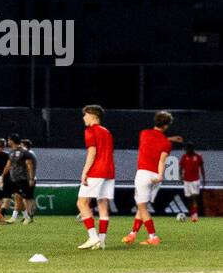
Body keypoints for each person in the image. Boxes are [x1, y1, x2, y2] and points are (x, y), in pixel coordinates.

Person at [123, 111, 177, 246]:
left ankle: (153, 237)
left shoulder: (144, 133)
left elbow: (153, 138)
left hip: (143, 175)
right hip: (155, 177)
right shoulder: (166, 143)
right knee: (143, 206)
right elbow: (162, 160)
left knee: (141, 207)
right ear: (166, 126)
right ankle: (132, 234)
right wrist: (160, 175)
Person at [77, 105, 116, 250]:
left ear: (93, 116)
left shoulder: (90, 130)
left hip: (96, 171)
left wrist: (84, 172)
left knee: (81, 203)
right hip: (109, 172)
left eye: (85, 115)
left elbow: (92, 153)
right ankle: (102, 241)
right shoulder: (107, 132)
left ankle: (93, 237)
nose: (84, 118)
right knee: (102, 204)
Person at [180, 143, 205, 222]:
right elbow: (180, 168)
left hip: (195, 180)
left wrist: (204, 179)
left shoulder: (198, 157)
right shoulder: (184, 157)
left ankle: (195, 215)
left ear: (191, 149)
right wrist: (180, 176)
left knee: (194, 197)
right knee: (189, 198)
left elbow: (202, 168)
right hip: (186, 181)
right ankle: (192, 214)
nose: (186, 151)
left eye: (187, 149)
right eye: (186, 149)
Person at [21, 138, 40, 219]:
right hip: (30, 178)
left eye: (21, 145)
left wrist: (30, 179)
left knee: (27, 198)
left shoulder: (28, 154)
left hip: (29, 179)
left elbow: (29, 167)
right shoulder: (31, 153)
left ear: (25, 146)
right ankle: (29, 214)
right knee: (28, 197)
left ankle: (29, 214)